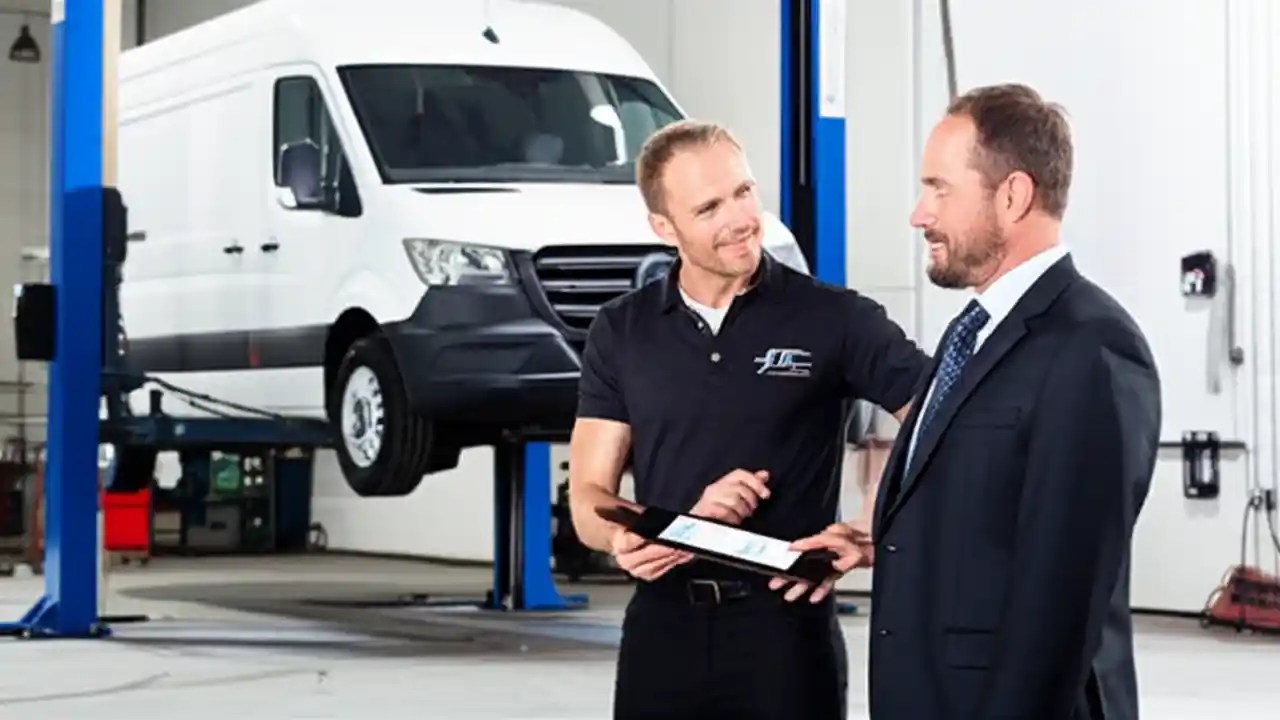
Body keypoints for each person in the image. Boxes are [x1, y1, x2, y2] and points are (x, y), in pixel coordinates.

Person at [798, 83, 1162, 720]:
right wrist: (892, 538)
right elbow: (994, 508)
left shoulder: (1092, 348)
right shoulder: (972, 333)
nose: (918, 213)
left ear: (1013, 195)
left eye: (940, 188)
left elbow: (1062, 595)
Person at [567, 118, 929, 720]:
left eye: (744, 192)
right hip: (662, 632)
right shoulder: (622, 331)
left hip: (784, 634)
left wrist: (869, 529)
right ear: (665, 227)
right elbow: (590, 497)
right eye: (709, 207)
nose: (739, 219)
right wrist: (622, 539)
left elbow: (944, 421)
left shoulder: (834, 318)